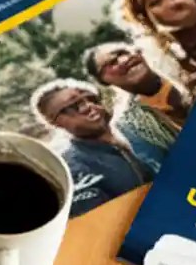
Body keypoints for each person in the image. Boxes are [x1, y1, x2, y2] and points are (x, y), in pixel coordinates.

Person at [30, 79, 161, 215]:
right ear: (55, 122)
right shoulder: (75, 170)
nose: (88, 107)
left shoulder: (138, 133)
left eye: (90, 98)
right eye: (73, 106)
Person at [83, 42, 186, 157]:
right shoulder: (129, 126)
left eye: (123, 53)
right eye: (112, 63)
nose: (124, 60)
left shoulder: (182, 69)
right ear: (103, 81)